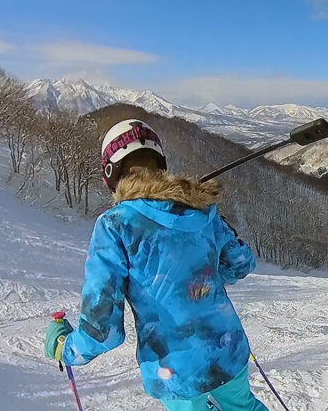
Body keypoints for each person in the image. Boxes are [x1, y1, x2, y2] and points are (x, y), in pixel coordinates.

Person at [44, 119, 269, 411]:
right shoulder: (201, 210)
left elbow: (103, 328)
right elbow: (240, 263)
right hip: (228, 351)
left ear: (110, 174)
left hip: (176, 371)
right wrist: (198, 280)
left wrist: (66, 348)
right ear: (160, 164)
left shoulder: (115, 225)